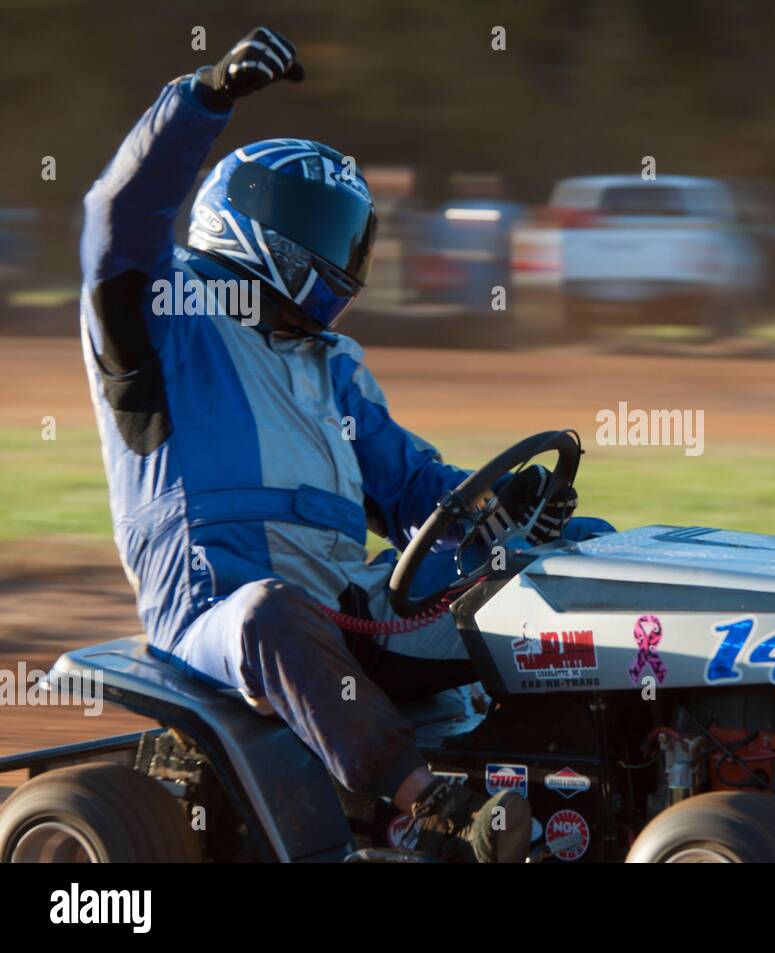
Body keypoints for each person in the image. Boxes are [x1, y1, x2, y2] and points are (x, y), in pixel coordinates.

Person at [79, 27, 609, 862]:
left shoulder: (333, 364)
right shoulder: (160, 322)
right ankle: (436, 807)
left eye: (348, 230)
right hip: (221, 611)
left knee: (578, 553)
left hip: (348, 606)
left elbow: (413, 490)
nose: (340, 250)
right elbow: (117, 215)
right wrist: (203, 95)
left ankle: (609, 775)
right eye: (317, 223)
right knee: (272, 612)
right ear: (250, 222)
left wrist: (506, 510)